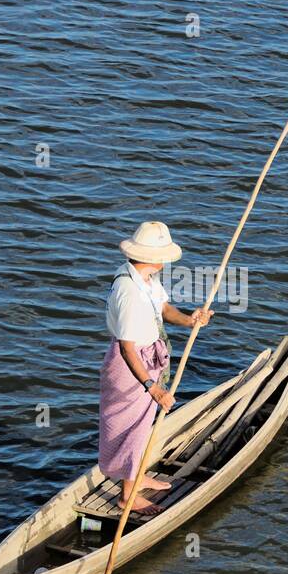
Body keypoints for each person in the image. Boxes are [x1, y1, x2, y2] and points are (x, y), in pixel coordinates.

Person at [98, 221, 213, 516]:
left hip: (148, 356)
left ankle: (136, 477)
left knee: (145, 422)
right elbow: (127, 348)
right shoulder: (129, 292)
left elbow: (163, 309)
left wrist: (190, 320)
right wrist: (153, 387)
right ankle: (127, 496)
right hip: (132, 365)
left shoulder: (144, 278)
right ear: (153, 258)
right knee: (132, 426)